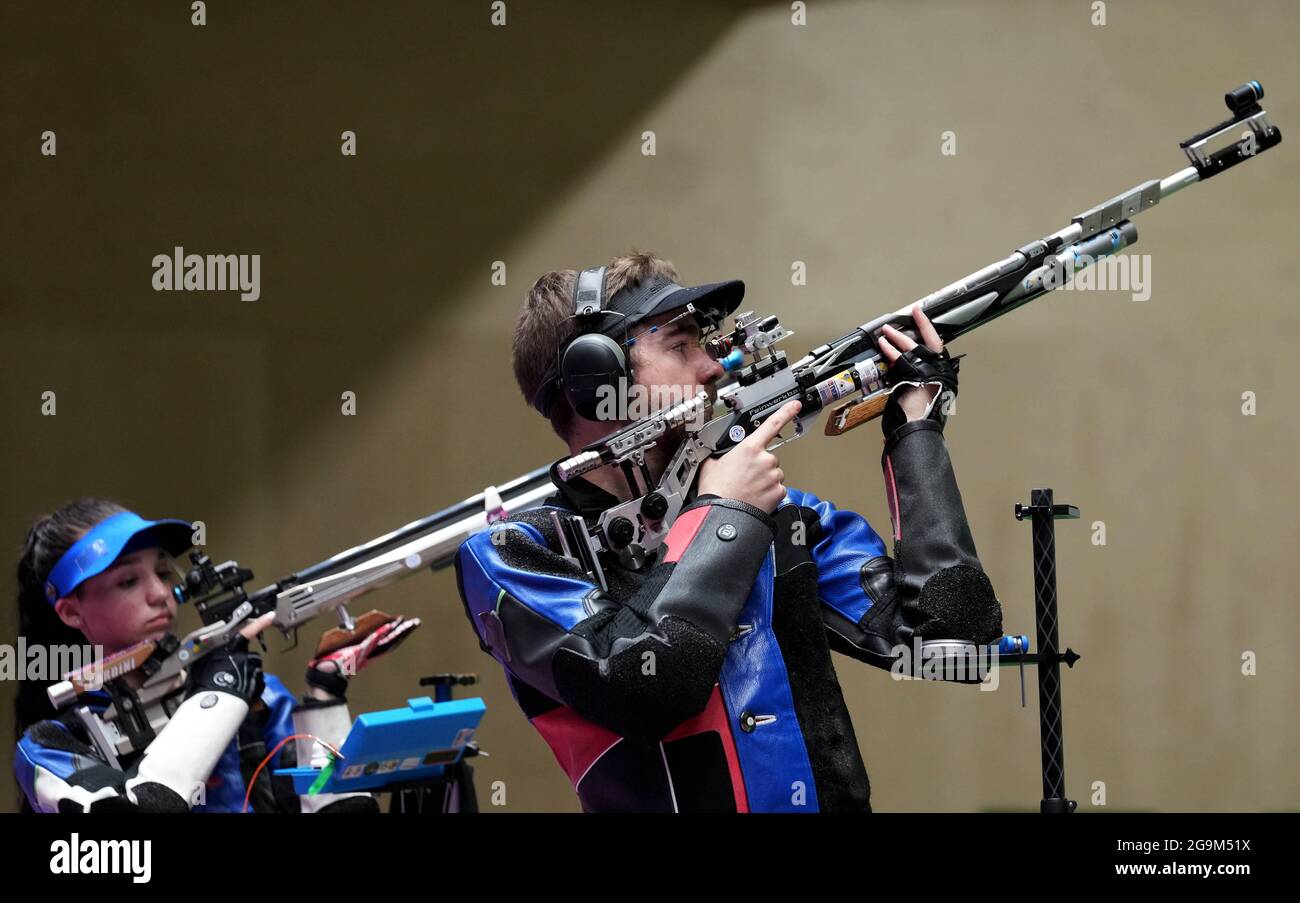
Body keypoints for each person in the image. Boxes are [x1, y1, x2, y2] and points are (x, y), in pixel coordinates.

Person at [455, 251, 1004, 812]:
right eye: (680, 345)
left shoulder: (782, 518)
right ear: (597, 379)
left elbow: (953, 643)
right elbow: (645, 687)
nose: (714, 368)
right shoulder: (513, 555)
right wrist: (724, 511)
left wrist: (917, 429)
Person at [13, 498, 418, 813]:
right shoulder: (52, 747)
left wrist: (325, 694)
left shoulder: (258, 697)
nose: (160, 594)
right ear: (70, 611)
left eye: (163, 572)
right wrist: (218, 694)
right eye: (129, 580)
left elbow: (339, 809)